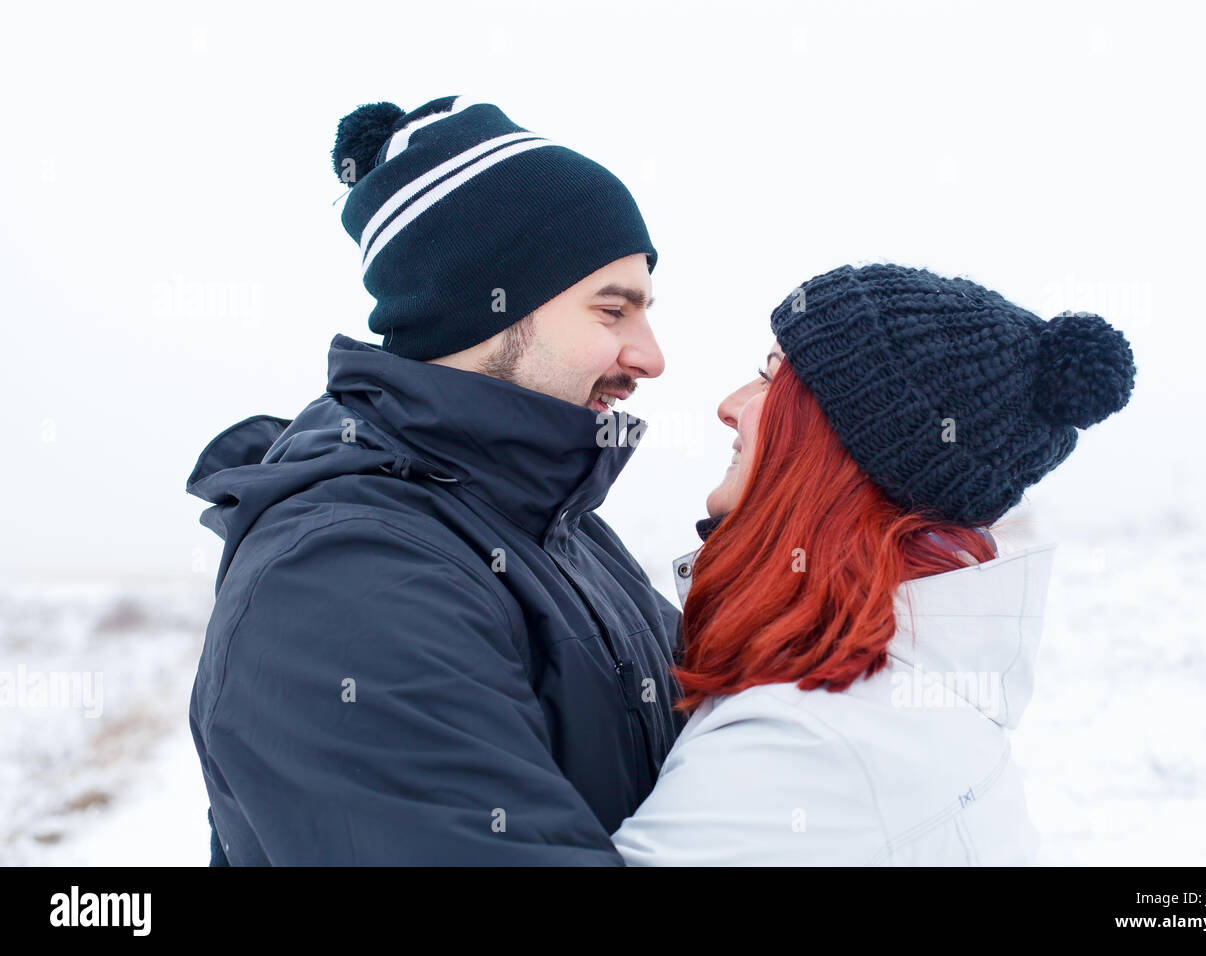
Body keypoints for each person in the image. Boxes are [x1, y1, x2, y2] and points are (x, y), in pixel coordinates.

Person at [187, 95, 683, 865]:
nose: (651, 356)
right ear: (485, 307)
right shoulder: (344, 579)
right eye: (613, 311)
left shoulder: (559, 530)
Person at [613, 261, 1137, 865]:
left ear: (837, 445)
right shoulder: (883, 703)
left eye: (769, 378)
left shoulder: (808, 745)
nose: (730, 406)